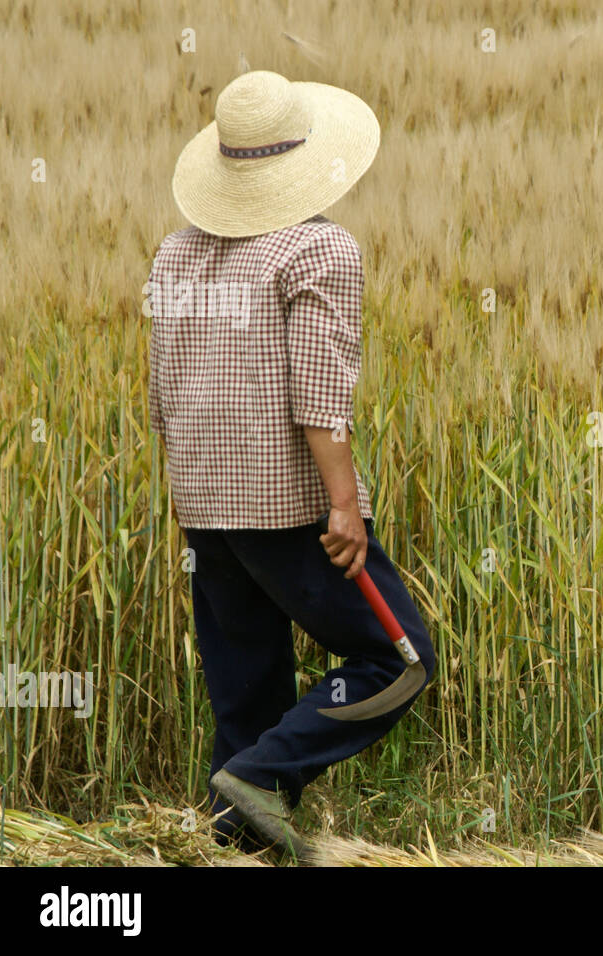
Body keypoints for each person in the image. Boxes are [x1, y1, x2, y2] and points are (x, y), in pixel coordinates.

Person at [146, 70, 436, 860]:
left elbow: (160, 391)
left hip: (205, 505)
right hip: (291, 510)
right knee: (399, 661)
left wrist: (189, 491)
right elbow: (319, 397)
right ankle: (266, 778)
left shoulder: (174, 255)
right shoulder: (320, 247)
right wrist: (344, 503)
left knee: (248, 689)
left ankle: (234, 843)